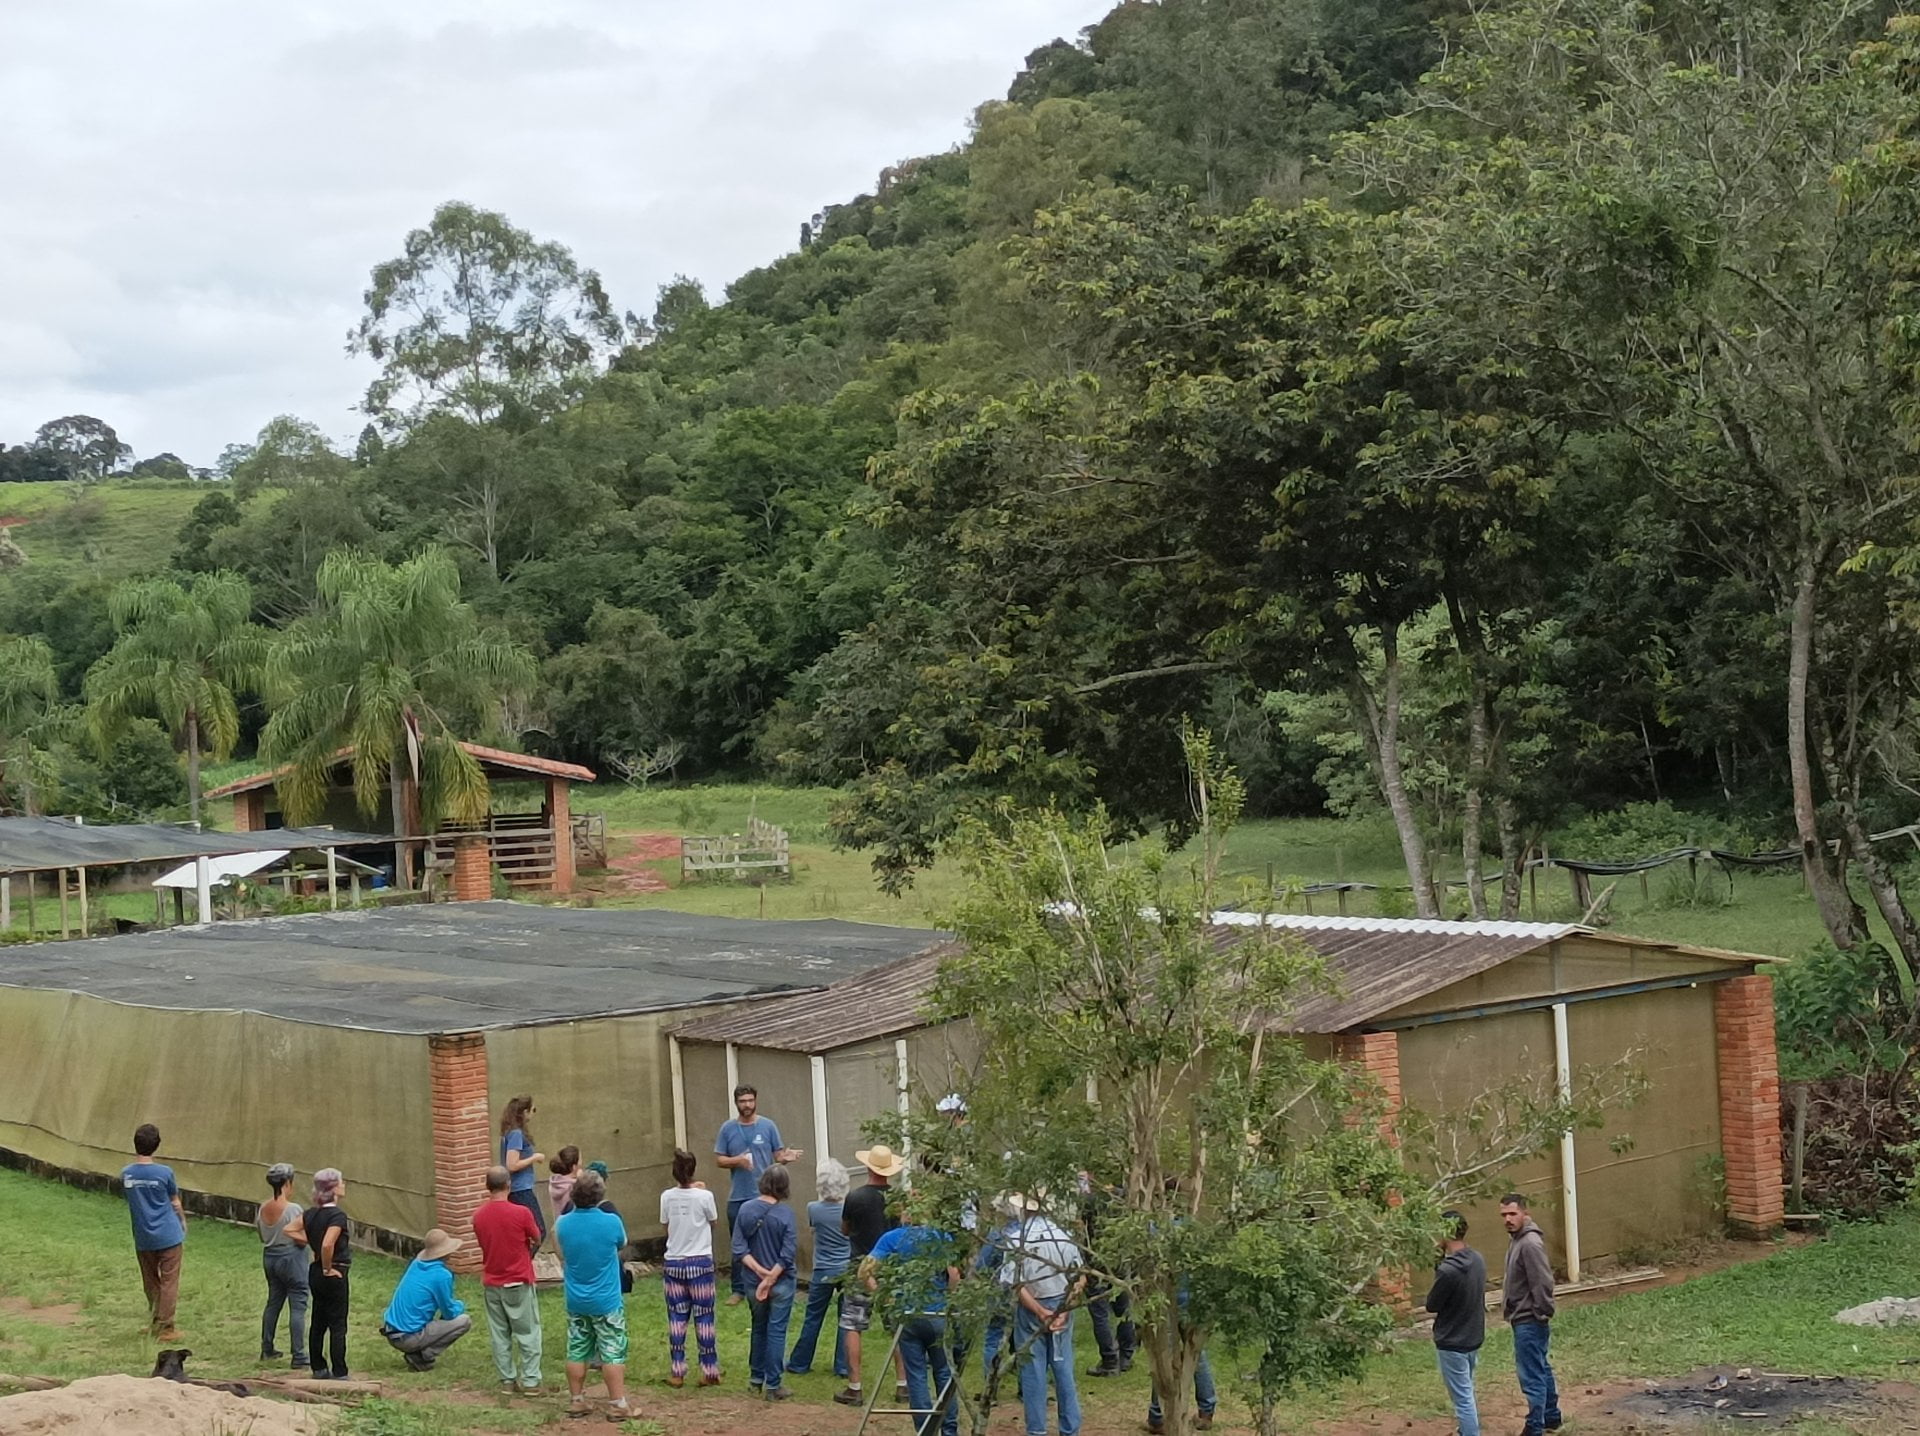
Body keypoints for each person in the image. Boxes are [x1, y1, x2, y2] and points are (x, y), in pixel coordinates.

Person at [868, 1203, 961, 1436]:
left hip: (908, 1314)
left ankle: (924, 1431)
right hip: (938, 1313)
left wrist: (883, 1296)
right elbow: (954, 1275)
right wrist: (949, 1296)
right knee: (944, 1373)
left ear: (904, 1214)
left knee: (916, 1375)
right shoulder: (942, 1237)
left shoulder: (892, 1238)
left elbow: (864, 1271)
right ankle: (949, 1430)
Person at [555, 1167, 634, 1424]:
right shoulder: (611, 1222)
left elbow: (561, 1254)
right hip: (606, 1299)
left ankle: (577, 1400)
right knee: (612, 1350)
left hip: (576, 1298)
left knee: (577, 1348)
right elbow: (621, 1244)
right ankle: (617, 1404)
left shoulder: (563, 1224)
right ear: (599, 1194)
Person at [1006, 1191, 1084, 1436]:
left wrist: (1040, 1311)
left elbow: (1015, 1283)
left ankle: (1037, 1430)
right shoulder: (1064, 1237)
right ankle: (1070, 1429)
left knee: (1033, 1372)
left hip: (1032, 1306)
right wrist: (1063, 1309)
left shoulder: (1017, 1239)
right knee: (1063, 1369)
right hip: (1061, 1300)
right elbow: (1080, 1278)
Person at [714, 1084, 801, 1304]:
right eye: (743, 1101)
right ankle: (738, 1289)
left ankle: (771, 1281)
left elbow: (777, 1156)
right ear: (736, 1103)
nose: (747, 1105)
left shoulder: (768, 1126)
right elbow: (720, 1159)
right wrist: (738, 1161)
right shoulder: (727, 1129)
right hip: (739, 1196)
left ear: (756, 1101)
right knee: (739, 1242)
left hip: (766, 1196)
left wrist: (786, 1157)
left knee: (767, 1242)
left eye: (751, 1100)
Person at [834, 1142, 904, 1407]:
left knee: (853, 1325)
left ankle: (855, 1387)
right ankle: (903, 1384)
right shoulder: (898, 1199)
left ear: (867, 1166)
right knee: (898, 1326)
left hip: (861, 1265)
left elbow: (845, 1229)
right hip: (892, 1268)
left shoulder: (855, 1197)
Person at [472, 1164, 544, 1397]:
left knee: (499, 1334)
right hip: (518, 1279)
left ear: (487, 1186)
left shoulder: (478, 1216)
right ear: (508, 1185)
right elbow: (536, 1236)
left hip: (492, 1281)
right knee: (528, 1332)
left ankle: (507, 1381)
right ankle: (531, 1381)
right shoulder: (522, 1213)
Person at [733, 1163, 799, 1401]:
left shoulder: (745, 1209)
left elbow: (739, 1247)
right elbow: (788, 1253)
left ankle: (755, 1379)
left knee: (758, 1328)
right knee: (776, 1331)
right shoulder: (786, 1214)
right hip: (781, 1282)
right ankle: (774, 1385)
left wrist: (760, 1274)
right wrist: (771, 1277)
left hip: (752, 1281)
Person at [659, 1148, 722, 1387]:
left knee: (677, 1318)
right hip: (700, 1262)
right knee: (704, 1317)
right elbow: (713, 1222)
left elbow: (666, 1227)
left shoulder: (667, 1197)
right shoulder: (705, 1197)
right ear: (693, 1171)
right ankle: (709, 1370)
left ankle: (677, 1370)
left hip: (674, 1261)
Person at [1500, 1193, 1561, 1436]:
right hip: (1523, 1317)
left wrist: (1541, 1312)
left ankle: (1534, 1426)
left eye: (1513, 1213)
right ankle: (1551, 1416)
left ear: (1525, 1214)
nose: (1508, 1219)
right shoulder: (1517, 1240)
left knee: (1531, 1374)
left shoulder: (1529, 1243)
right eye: (1504, 1215)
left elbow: (1543, 1282)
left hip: (1529, 1319)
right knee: (1540, 1367)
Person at [787, 1158, 852, 1380]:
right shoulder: (849, 1209)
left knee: (813, 1317)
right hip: (846, 1267)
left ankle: (799, 1362)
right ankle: (843, 1366)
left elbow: (814, 1231)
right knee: (846, 1318)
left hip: (823, 1268)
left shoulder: (813, 1208)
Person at [121, 1123, 186, 1341]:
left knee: (151, 1281)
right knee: (169, 1281)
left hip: (143, 1236)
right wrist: (183, 1222)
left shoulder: (127, 1174)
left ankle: (156, 1320)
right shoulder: (165, 1173)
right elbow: (175, 1202)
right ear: (157, 1145)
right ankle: (166, 1327)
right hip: (169, 1234)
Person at [1425, 1209, 1486, 1436]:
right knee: (1466, 1389)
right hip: (1473, 1336)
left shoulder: (1448, 1271)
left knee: (1463, 1399)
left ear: (1446, 1232)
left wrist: (1437, 1261)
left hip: (1452, 1341)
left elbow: (1432, 1304)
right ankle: (1464, 1431)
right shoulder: (1478, 1259)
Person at [380, 1229, 472, 1371]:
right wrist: (459, 1306)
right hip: (408, 1337)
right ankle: (423, 1355)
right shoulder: (441, 1275)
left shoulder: (416, 1264)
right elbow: (449, 1312)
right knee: (464, 1321)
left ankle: (418, 1353)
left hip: (391, 1330)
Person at [256, 1161, 308, 1369]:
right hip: (291, 1257)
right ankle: (299, 1355)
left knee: (274, 1302)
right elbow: (301, 1238)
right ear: (288, 1183)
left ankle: (267, 1348)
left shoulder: (263, 1208)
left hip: (270, 1256)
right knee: (298, 1303)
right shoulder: (293, 1209)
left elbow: (261, 1235)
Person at [303, 1168, 352, 1380]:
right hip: (334, 1271)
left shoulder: (310, 1214)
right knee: (337, 1323)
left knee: (318, 1320)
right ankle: (339, 1370)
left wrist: (310, 1244)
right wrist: (327, 1266)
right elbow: (327, 1243)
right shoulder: (337, 1215)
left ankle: (318, 1366)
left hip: (314, 1272)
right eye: (341, 1182)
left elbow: (290, 1230)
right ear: (333, 1189)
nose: (344, 1185)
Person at [499, 1095, 547, 1245]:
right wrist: (534, 1157)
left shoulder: (509, 1133)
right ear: (525, 1112)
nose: (533, 1113)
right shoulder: (516, 1134)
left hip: (516, 1189)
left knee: (522, 1232)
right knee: (539, 1230)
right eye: (533, 1110)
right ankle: (523, 1262)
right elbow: (511, 1165)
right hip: (521, 1189)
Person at [549, 1146, 581, 1218]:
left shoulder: (556, 1182)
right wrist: (581, 1181)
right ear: (574, 1167)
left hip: (560, 1225)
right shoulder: (574, 1186)